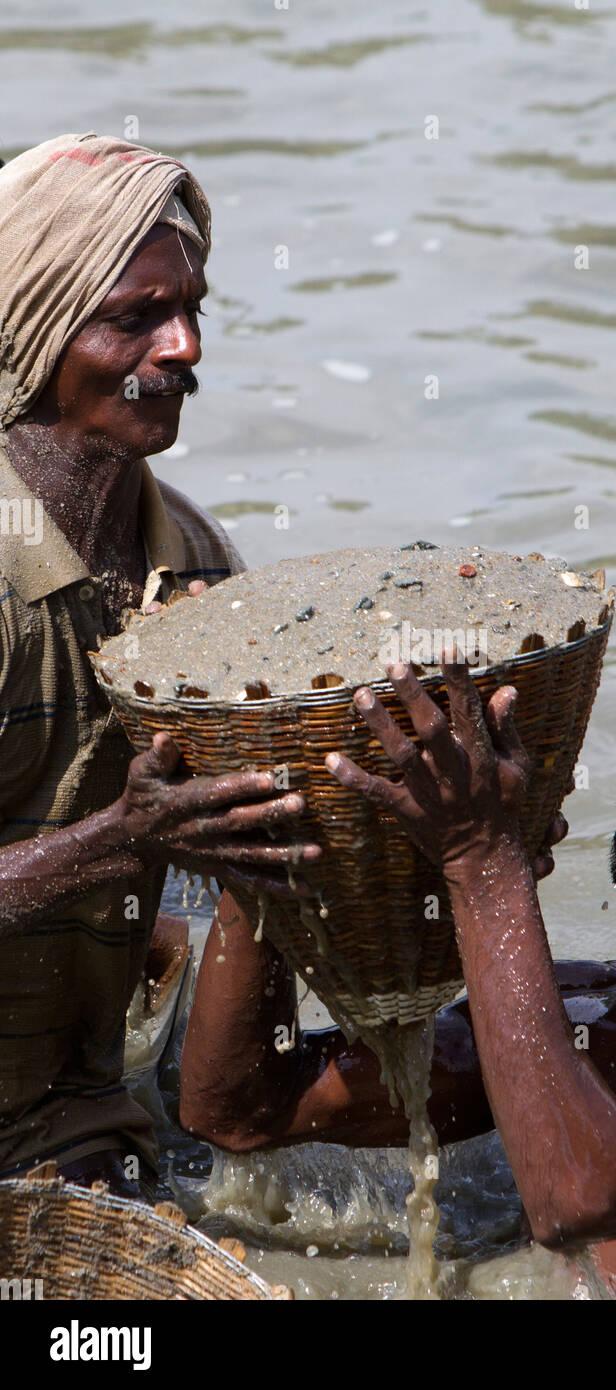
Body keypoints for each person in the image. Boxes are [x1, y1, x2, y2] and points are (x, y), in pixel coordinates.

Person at [180, 622, 616, 1300]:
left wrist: (482, 860)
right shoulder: (586, 1005)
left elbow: (582, 1199)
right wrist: (267, 842)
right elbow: (242, 1108)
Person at [0, 133, 317, 1194]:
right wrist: (117, 842)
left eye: (192, 310)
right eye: (136, 317)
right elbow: (132, 836)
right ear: (36, 329)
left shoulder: (194, 560)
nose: (183, 346)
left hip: (67, 1099)